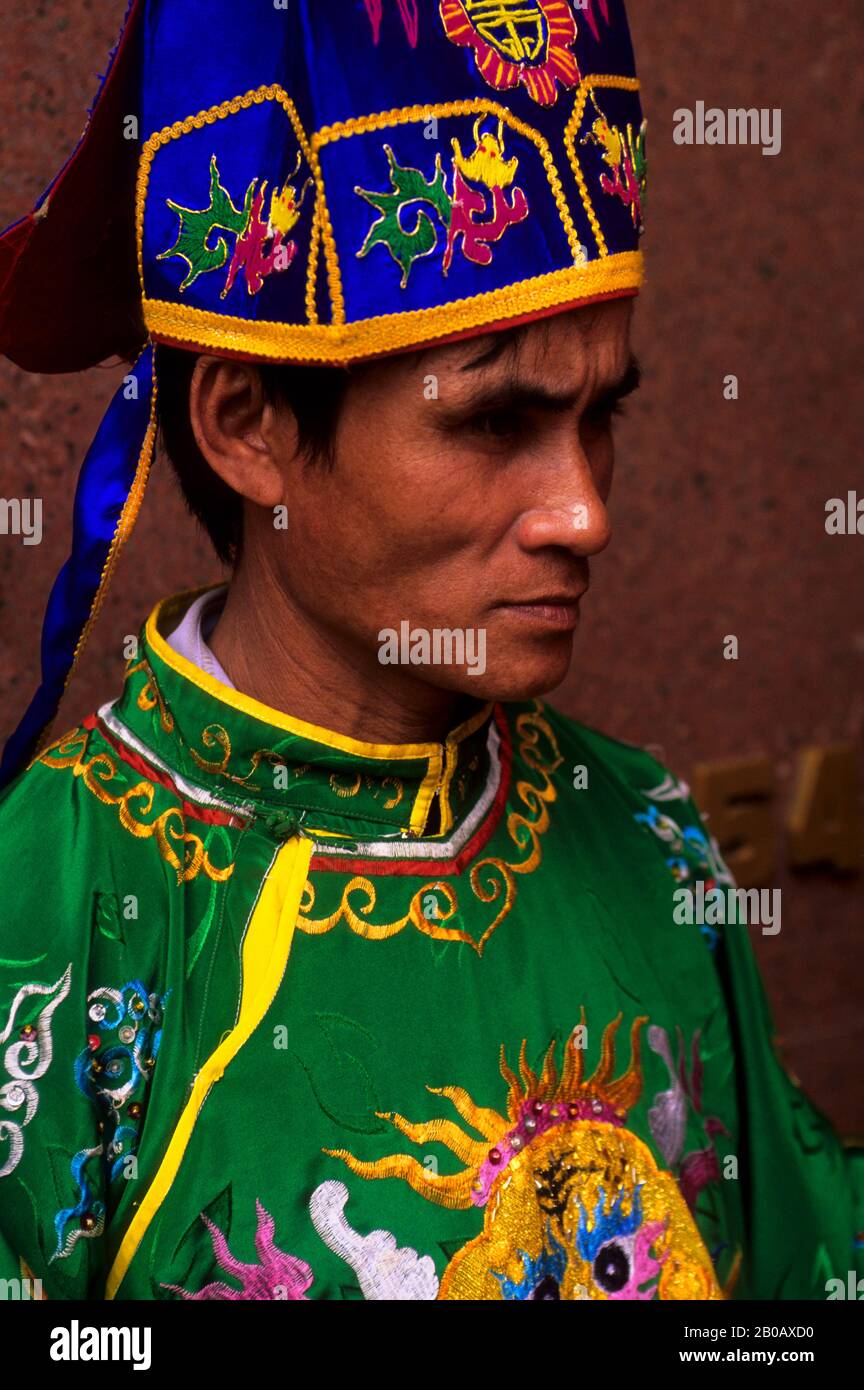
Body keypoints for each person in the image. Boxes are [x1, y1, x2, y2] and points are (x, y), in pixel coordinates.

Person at [0, 0, 860, 1303]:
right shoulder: (55, 913)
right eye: (499, 419)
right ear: (250, 426)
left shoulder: (645, 828)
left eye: (597, 416)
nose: (586, 511)